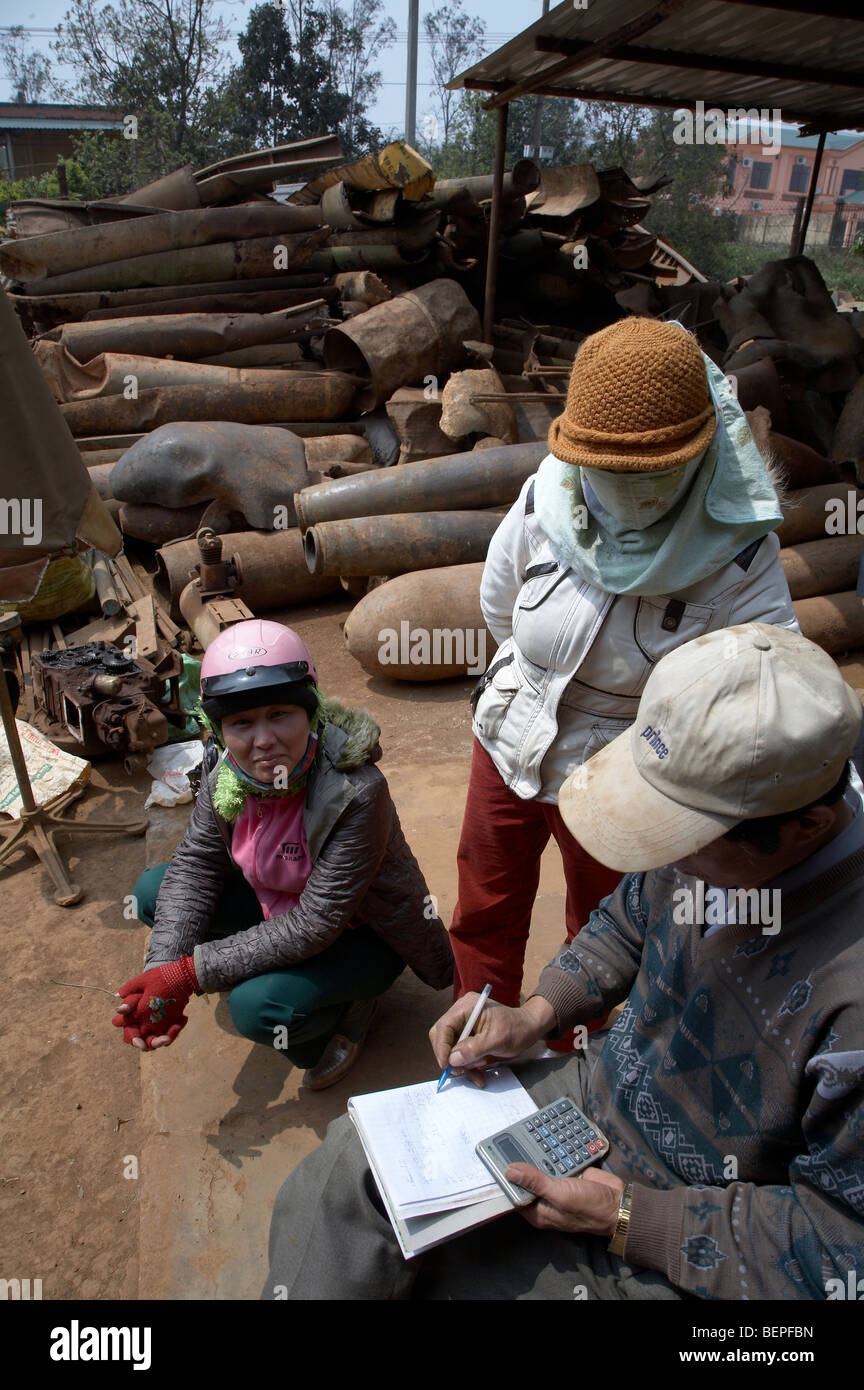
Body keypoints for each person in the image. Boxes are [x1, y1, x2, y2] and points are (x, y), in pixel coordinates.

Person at [262, 623, 864, 1299]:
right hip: (594, 1102)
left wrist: (634, 1219)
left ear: (807, 828)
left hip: (695, 1223)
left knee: (451, 1275)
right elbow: (629, 920)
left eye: (688, 843)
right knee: (354, 1175)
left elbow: (843, 1242)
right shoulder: (732, 813)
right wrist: (535, 1013)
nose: (668, 860)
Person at [451, 316, 799, 1033]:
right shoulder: (545, 499)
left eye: (649, 473)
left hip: (624, 779)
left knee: (603, 927)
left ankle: (590, 1068)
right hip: (510, 738)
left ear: (700, 452)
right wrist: (539, 690)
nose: (624, 490)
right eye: (606, 471)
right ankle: (475, 1045)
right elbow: (498, 606)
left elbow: (766, 687)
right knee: (485, 908)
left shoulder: (741, 552)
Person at [112, 619, 453, 1090]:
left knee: (256, 1008)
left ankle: (342, 1020)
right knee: (154, 889)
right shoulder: (224, 773)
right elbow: (196, 865)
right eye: (241, 723)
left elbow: (316, 922)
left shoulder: (356, 791)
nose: (263, 740)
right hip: (276, 906)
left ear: (310, 712)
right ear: (216, 729)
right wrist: (160, 977)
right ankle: (270, 974)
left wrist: (191, 973)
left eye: (280, 714)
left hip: (360, 933)